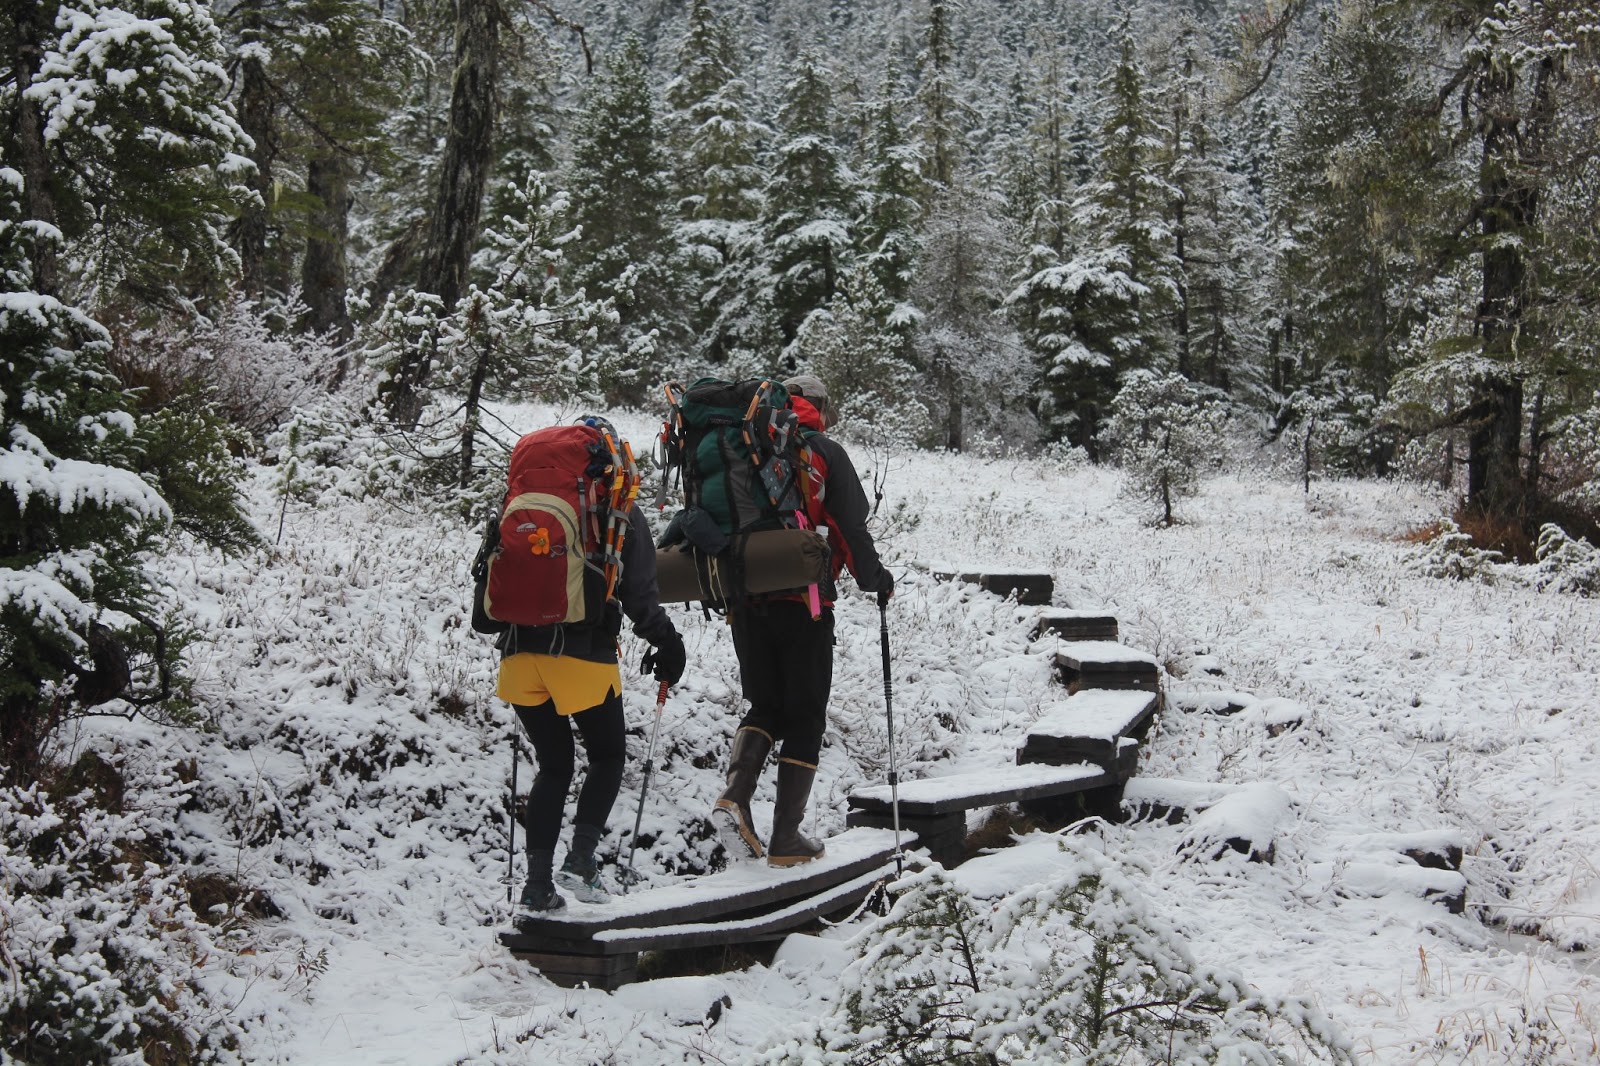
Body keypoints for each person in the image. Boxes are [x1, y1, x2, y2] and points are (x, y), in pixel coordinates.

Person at [485, 419, 686, 916]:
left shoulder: (518, 503)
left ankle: (536, 887)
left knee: (553, 766)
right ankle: (580, 861)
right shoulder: (617, 511)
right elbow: (640, 596)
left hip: (517, 656)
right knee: (608, 755)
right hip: (580, 656)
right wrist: (667, 642)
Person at [712, 375, 893, 866]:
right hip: (805, 600)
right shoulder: (823, 451)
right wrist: (876, 580)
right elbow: (848, 525)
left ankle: (735, 796)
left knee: (766, 702)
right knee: (806, 714)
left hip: (744, 596)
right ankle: (786, 837)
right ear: (820, 408)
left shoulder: (744, 441)